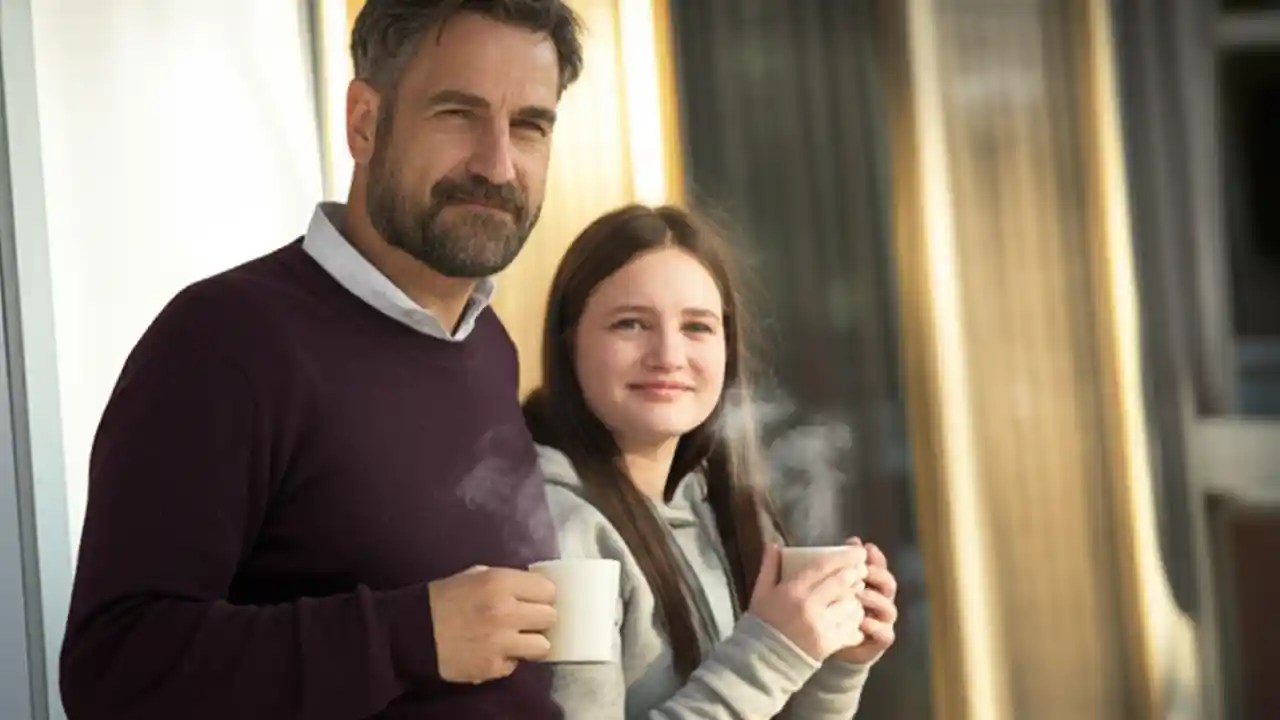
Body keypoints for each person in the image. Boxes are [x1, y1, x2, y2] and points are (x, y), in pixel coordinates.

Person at [60, 2, 584, 718]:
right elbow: (114, 669)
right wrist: (410, 636)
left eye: (529, 126)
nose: (497, 164)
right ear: (364, 122)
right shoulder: (225, 340)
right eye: (457, 114)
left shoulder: (488, 344)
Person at [523, 205, 900, 719]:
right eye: (630, 324)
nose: (668, 355)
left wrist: (834, 666)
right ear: (570, 344)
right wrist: (774, 652)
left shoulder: (719, 509)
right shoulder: (560, 534)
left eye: (697, 327)